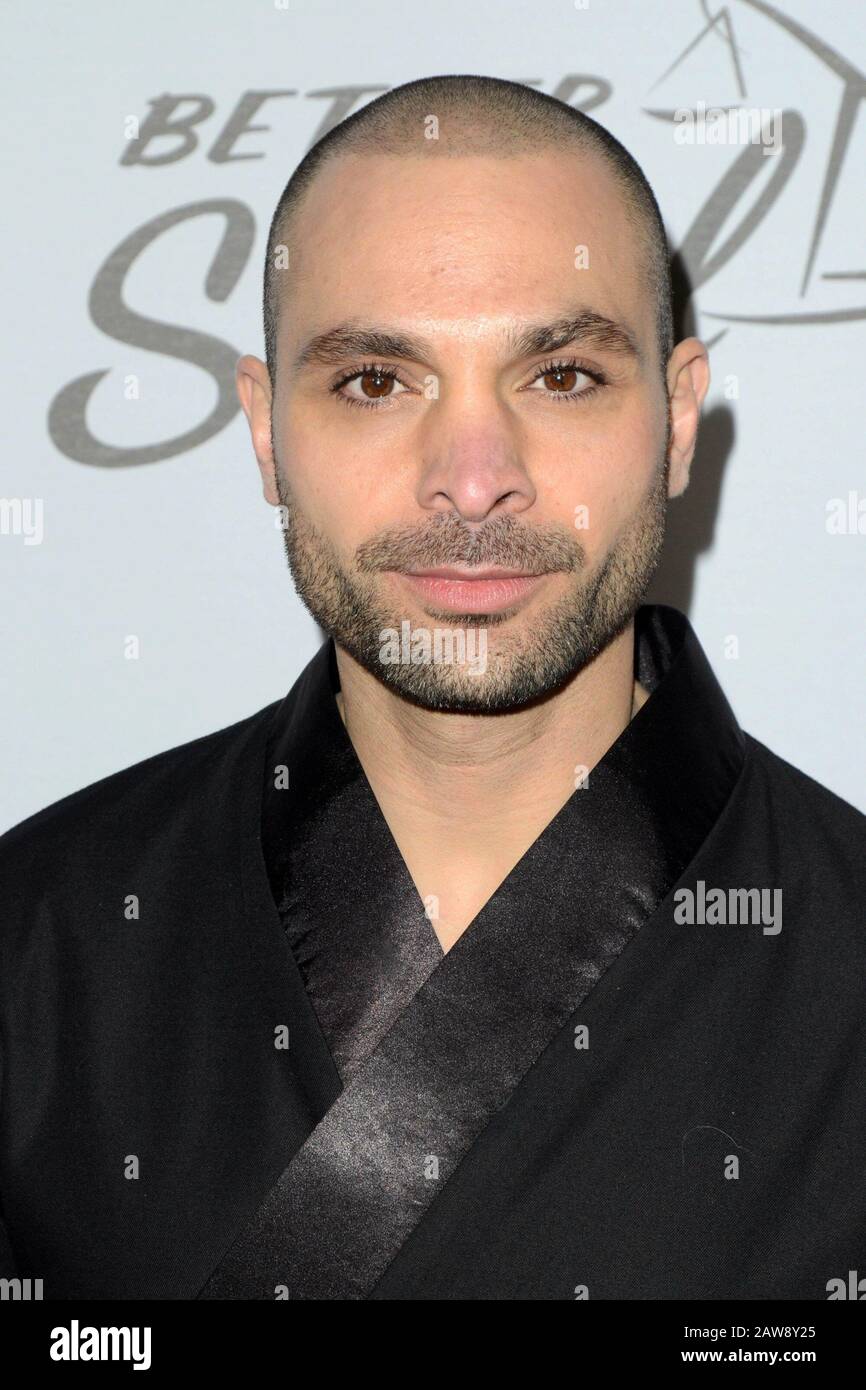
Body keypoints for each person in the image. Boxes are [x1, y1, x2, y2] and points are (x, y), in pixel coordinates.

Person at [1, 74, 864, 1301]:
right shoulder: (37, 949)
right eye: (374, 381)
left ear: (676, 420)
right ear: (263, 433)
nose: (471, 480)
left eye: (559, 375)